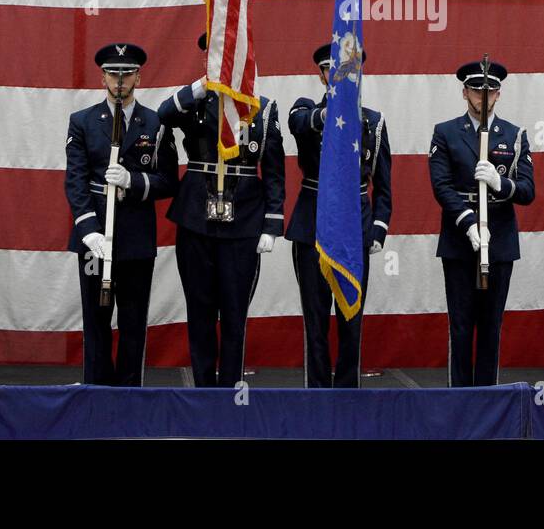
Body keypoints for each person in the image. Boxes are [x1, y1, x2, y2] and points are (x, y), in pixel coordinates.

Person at [158, 34, 285, 387]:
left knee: (234, 313)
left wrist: (272, 226)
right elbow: (163, 115)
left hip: (244, 222)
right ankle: (202, 390)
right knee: (199, 311)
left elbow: (274, 172)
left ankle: (230, 390)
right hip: (196, 218)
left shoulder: (263, 107)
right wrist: (200, 86)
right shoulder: (196, 102)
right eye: (215, 57)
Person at [65, 43, 177, 386]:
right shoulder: (82, 121)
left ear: (138, 78)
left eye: (127, 73)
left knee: (132, 321)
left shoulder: (156, 123)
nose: (120, 80)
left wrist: (134, 180)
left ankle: (130, 395)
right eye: (113, 73)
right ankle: (96, 393)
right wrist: (88, 229)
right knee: (96, 321)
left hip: (135, 237)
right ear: (102, 78)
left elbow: (169, 181)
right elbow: (75, 180)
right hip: (95, 237)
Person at [285, 43, 393, 387]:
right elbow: (297, 124)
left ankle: (347, 393)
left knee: (351, 318)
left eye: (348, 69)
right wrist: (331, 110)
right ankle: (317, 393)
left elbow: (383, 184)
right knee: (315, 320)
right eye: (332, 70)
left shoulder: (372, 122)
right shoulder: (306, 112)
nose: (340, 76)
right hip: (312, 226)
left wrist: (377, 229)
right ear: (321, 75)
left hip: (354, 226)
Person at [429, 59, 535, 387]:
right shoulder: (445, 132)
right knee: (461, 325)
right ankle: (460, 399)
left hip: (500, 237)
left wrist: (500, 183)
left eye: (490, 90)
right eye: (476, 90)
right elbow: (441, 186)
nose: (483, 97)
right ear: (465, 93)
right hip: (461, 238)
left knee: (491, 325)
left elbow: (528, 191)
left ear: (499, 94)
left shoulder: (514, 135)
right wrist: (470, 222)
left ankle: (489, 398)